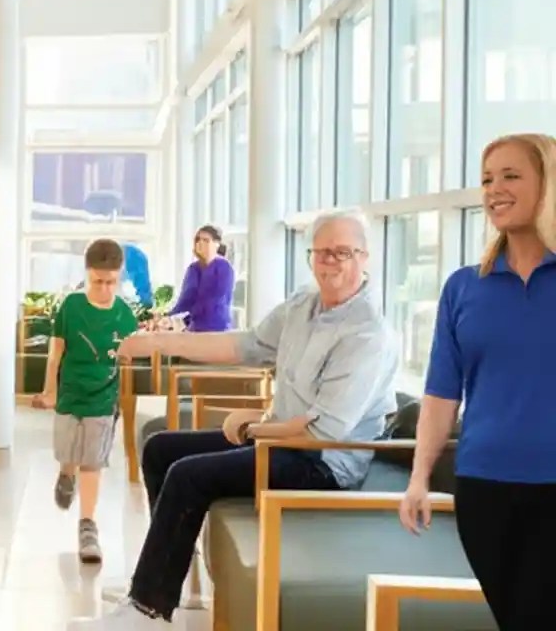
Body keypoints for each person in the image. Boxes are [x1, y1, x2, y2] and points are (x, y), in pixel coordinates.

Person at [108, 210, 398, 622]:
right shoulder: (303, 304)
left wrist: (251, 427)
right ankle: (170, 575)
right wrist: (159, 344)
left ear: (364, 257)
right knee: (160, 449)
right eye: (322, 252)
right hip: (281, 441)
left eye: (343, 253)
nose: (330, 262)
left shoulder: (368, 334)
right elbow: (245, 346)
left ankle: (147, 610)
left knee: (188, 475)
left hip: (322, 462)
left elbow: (321, 431)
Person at [400, 133, 556, 630]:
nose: (494, 189)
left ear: (548, 184)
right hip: (484, 488)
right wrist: (419, 478)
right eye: (487, 179)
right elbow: (441, 394)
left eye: (511, 176)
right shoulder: (464, 286)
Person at [32, 239, 138, 565]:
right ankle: (66, 474)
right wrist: (49, 391)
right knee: (69, 455)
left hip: (103, 400)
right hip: (70, 394)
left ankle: (88, 527)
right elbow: (56, 353)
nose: (104, 289)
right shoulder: (71, 307)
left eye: (111, 282)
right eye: (97, 281)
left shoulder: (124, 315)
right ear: (87, 273)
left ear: (119, 277)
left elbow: (129, 354)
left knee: (92, 461)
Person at [166, 224, 235, 332]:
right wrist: (167, 317)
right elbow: (185, 301)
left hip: (217, 328)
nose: (200, 243)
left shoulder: (223, 267)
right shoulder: (193, 269)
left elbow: (212, 302)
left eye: (206, 240)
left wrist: (183, 320)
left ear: (217, 244)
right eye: (198, 240)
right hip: (194, 328)